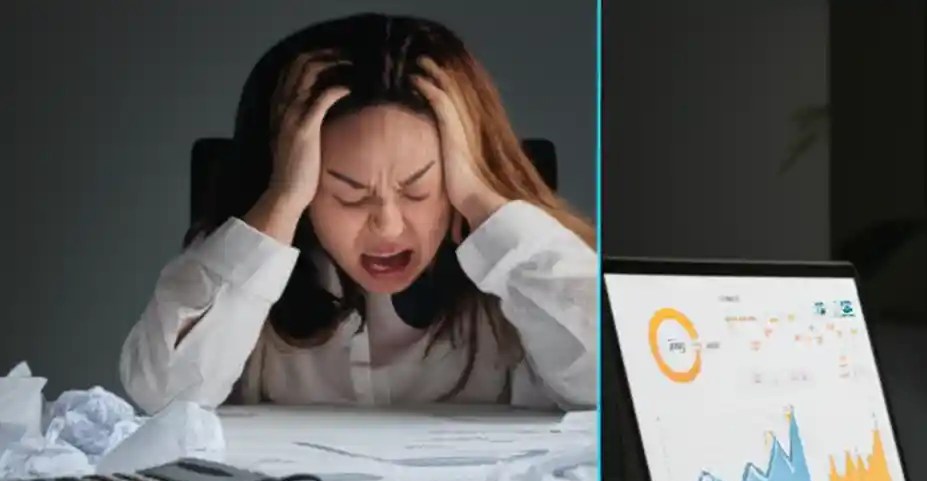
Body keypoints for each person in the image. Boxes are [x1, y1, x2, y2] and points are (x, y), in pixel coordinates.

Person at [120, 14, 596, 415]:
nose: (388, 226)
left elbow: (609, 377)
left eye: (419, 189)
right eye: (348, 196)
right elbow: (161, 398)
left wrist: (479, 200)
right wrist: (281, 203)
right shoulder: (254, 271)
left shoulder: (512, 294)